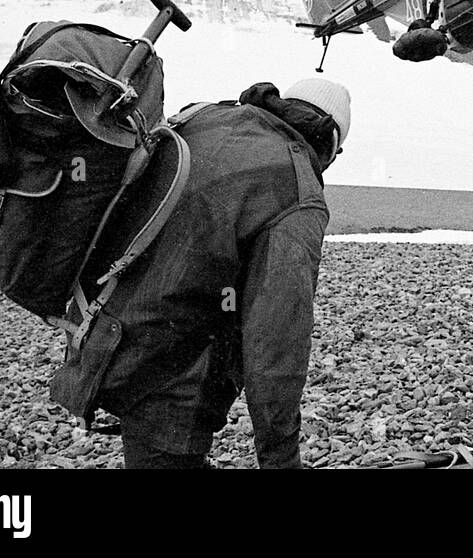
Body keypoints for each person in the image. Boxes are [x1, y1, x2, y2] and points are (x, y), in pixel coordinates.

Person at [77, 77, 351, 468]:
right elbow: (276, 342)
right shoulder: (298, 194)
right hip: (170, 376)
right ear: (332, 146)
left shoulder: (204, 117)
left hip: (100, 326)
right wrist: (280, 458)